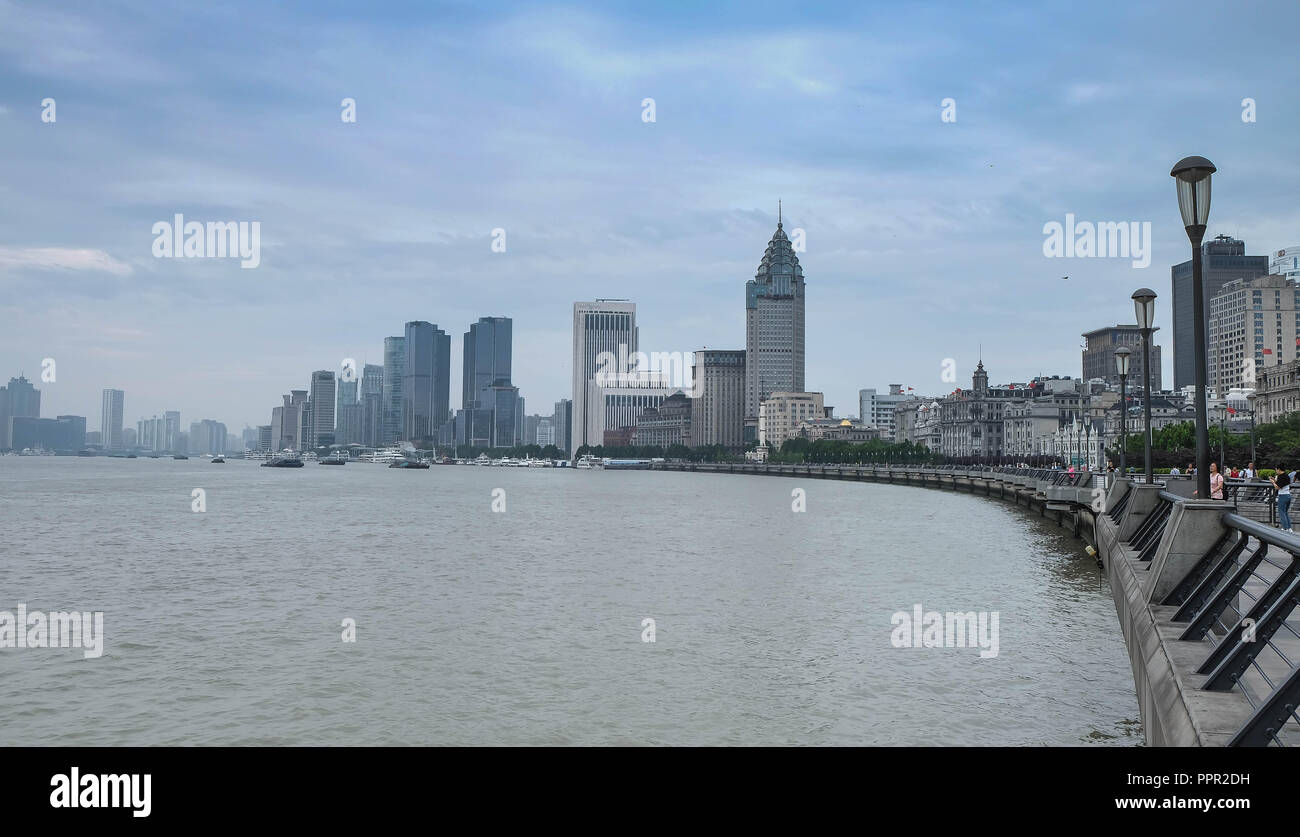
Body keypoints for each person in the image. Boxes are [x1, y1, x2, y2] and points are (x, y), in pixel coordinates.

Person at [1272, 467, 1293, 533]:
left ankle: (1285, 528)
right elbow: (1281, 484)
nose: (1276, 471)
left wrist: (1273, 482)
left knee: (1281, 512)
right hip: (1288, 495)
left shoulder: (1280, 477)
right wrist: (1275, 481)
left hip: (1282, 496)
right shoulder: (1287, 476)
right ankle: (1289, 528)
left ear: (1279, 469)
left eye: (1276, 470)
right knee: (1285, 512)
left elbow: (1277, 487)